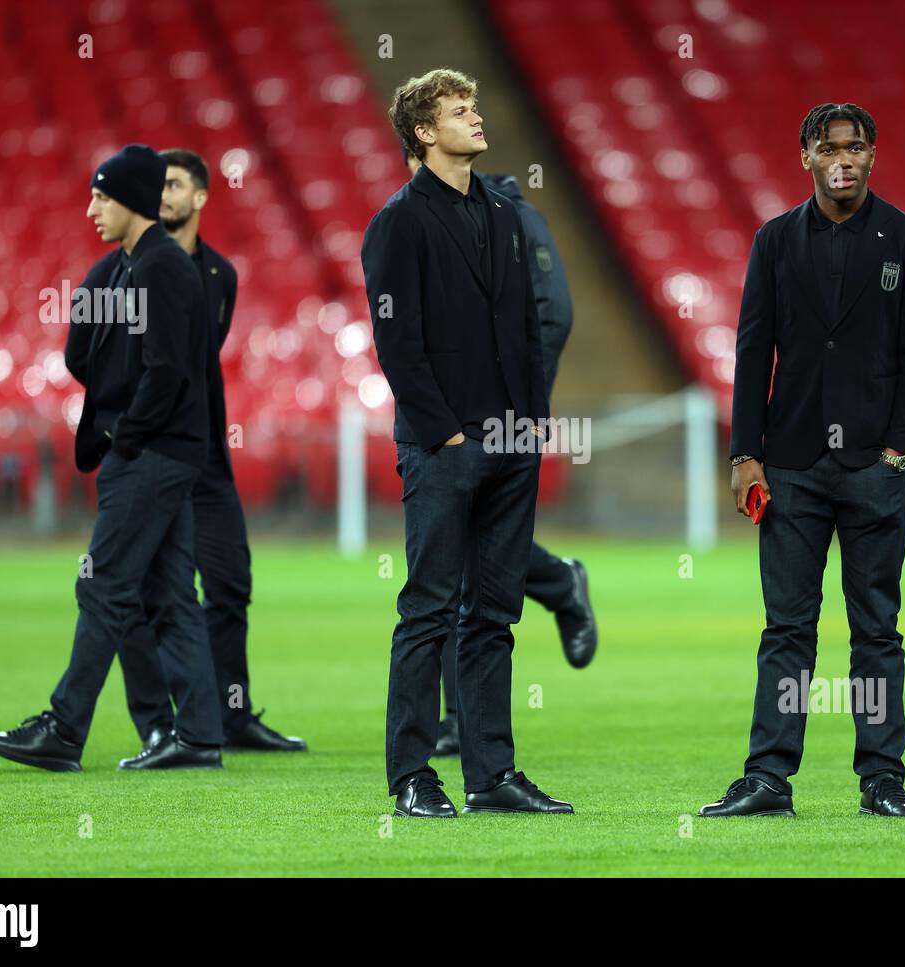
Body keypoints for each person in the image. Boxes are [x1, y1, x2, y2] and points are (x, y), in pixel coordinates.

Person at [699, 104, 905, 819]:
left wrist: (899, 448)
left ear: (872, 156)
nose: (843, 157)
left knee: (876, 628)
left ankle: (882, 779)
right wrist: (746, 453)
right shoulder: (774, 241)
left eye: (856, 146)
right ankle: (769, 777)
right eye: (829, 146)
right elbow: (752, 351)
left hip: (873, 464)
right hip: (792, 463)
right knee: (786, 628)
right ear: (805, 156)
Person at [362, 68, 572, 817]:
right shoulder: (399, 221)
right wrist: (447, 432)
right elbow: (397, 342)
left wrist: (531, 422)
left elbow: (524, 328)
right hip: (444, 444)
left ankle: (492, 774)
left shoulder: (505, 215)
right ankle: (414, 775)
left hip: (513, 441)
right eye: (459, 111)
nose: (476, 118)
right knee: (427, 610)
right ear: (424, 133)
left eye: (475, 105)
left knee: (493, 614)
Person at [0, 144, 222, 771]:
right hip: (155, 450)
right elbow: (77, 355)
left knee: (103, 585)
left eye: (101, 196)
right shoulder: (119, 268)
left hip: (151, 453)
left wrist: (130, 433)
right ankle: (196, 737)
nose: (91, 207)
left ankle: (65, 728)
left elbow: (166, 371)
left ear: (132, 201)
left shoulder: (161, 268)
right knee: (167, 595)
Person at [403, 149, 597, 758]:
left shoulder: (509, 214)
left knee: (467, 568)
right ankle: (559, 582)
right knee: (463, 559)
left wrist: (517, 392)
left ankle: (464, 721)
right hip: (456, 417)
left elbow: (552, 314)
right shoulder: (426, 219)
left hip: (501, 413)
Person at [114, 148, 306, 758]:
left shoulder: (221, 274)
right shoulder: (128, 267)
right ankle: (158, 720)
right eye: (158, 185)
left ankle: (231, 712)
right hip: (153, 452)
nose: (163, 193)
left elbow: (199, 362)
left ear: (200, 197)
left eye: (174, 185)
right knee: (144, 590)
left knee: (230, 584)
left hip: (206, 455)